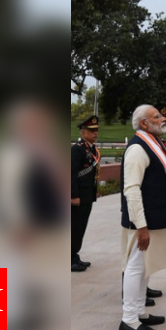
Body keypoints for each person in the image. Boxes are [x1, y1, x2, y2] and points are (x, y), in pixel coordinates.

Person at [118, 104, 166, 330]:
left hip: (155, 219)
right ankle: (128, 320)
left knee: (145, 268)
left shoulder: (153, 144)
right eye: (157, 117)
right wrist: (141, 226)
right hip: (144, 222)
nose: (163, 119)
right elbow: (131, 189)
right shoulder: (138, 149)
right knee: (136, 268)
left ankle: (139, 311)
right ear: (144, 123)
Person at [71, 115, 101, 272]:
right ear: (83, 133)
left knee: (80, 227)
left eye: (96, 130)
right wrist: (73, 195)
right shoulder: (77, 149)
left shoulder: (93, 149)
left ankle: (74, 256)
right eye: (91, 131)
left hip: (87, 196)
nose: (95, 133)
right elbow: (70, 173)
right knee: (74, 227)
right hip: (77, 197)